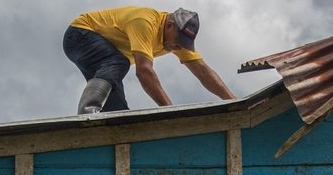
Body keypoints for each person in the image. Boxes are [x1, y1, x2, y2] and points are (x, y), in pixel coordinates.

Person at [64, 6, 237, 114]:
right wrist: (170, 111)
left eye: (184, 43)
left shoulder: (173, 40)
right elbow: (144, 71)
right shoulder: (145, 23)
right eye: (179, 40)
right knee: (119, 62)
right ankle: (87, 110)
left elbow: (203, 71)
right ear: (169, 25)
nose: (179, 47)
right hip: (80, 34)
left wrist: (234, 103)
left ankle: (105, 130)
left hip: (98, 51)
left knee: (118, 113)